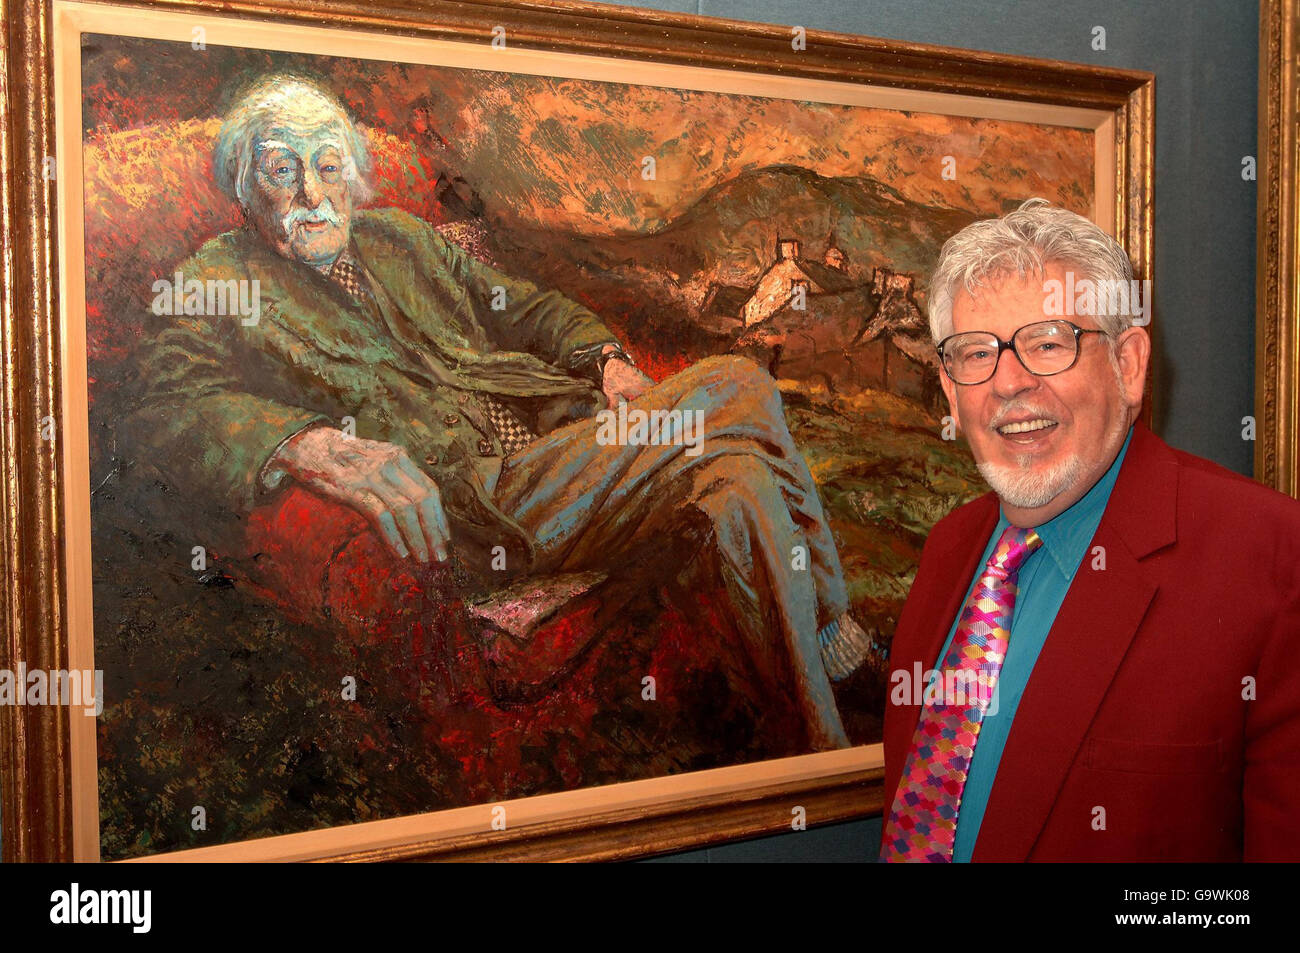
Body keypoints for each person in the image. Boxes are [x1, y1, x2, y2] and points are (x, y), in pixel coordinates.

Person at [121, 74, 872, 750]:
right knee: (739, 383)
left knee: (742, 479)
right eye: (283, 170)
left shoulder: (401, 238)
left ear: (351, 176)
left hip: (559, 445)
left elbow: (525, 309)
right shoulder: (214, 278)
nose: (313, 195)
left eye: (327, 166)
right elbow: (162, 414)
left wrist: (604, 360)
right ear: (245, 187)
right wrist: (308, 445)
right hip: (480, 503)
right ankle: (835, 625)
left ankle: (814, 747)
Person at [879, 198, 1300, 861]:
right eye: (975, 353)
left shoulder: (1274, 558)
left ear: (1128, 365)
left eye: (1048, 342)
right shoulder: (949, 549)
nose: (1009, 383)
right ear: (948, 387)